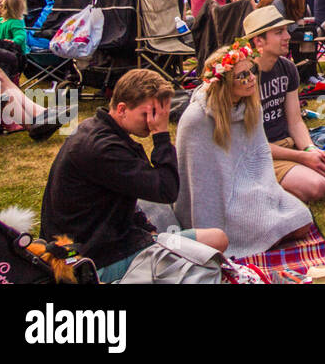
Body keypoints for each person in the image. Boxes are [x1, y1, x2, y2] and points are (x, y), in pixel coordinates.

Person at [40, 68, 227, 282]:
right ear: (122, 109)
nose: (153, 121)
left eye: (159, 114)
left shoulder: (96, 128)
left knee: (207, 238)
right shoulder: (103, 148)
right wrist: (161, 136)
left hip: (101, 243)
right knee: (213, 244)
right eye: (148, 114)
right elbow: (166, 190)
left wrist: (148, 232)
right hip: (94, 260)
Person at [174, 44, 313, 257]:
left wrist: (263, 190)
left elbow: (259, 156)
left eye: (252, 72)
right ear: (224, 81)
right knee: (264, 227)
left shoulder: (250, 107)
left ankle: (261, 231)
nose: (251, 79)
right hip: (220, 199)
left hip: (251, 187)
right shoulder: (196, 119)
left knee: (302, 219)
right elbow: (195, 180)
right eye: (242, 75)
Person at [243, 6, 325, 202]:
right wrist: (303, 158)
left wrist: (310, 149)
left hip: (290, 145)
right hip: (259, 155)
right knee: (317, 187)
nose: (287, 36)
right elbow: (249, 144)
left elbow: (295, 121)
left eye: (286, 30)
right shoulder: (245, 78)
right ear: (258, 41)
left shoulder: (287, 68)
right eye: (279, 32)